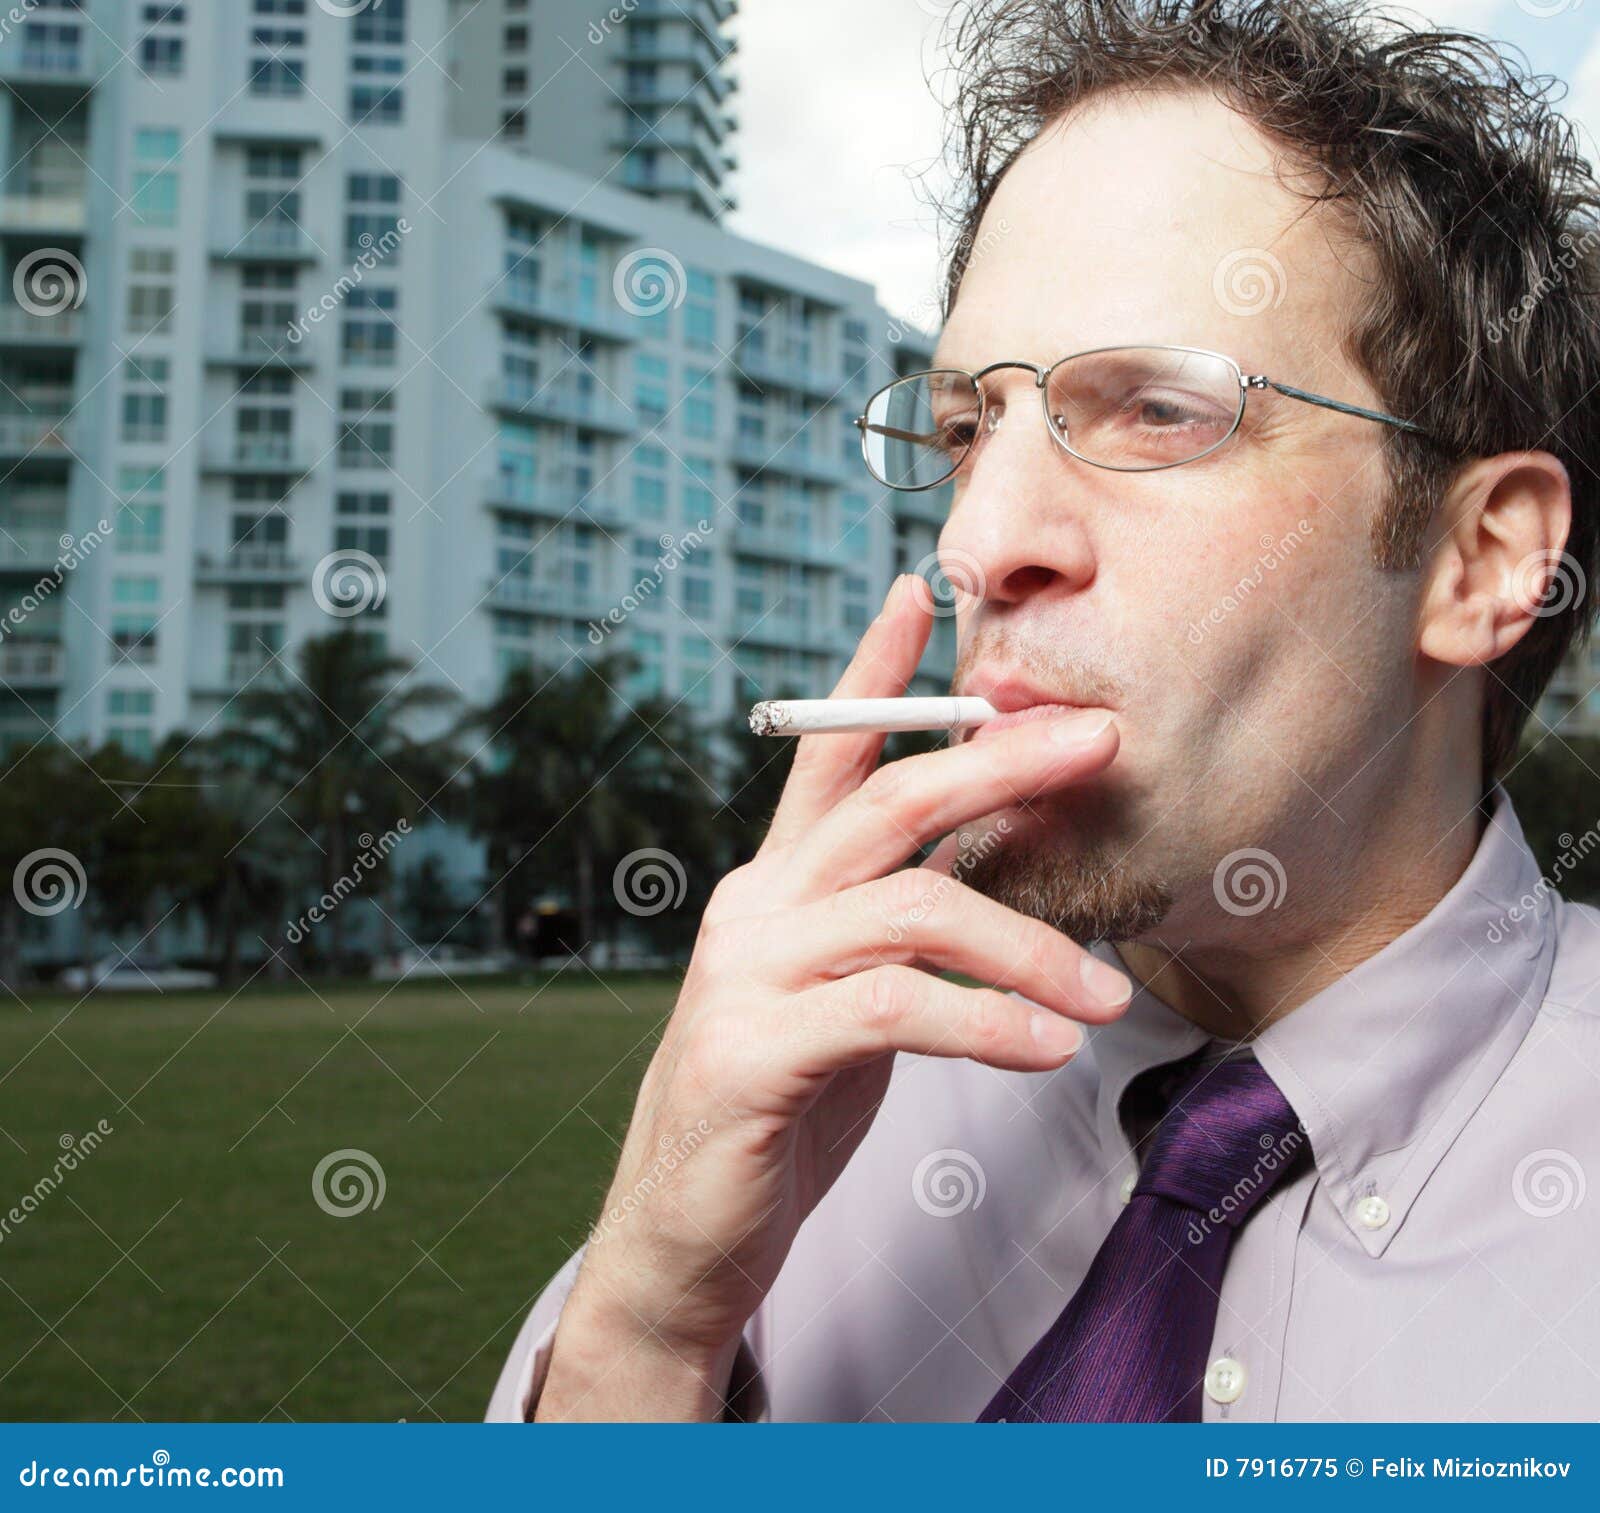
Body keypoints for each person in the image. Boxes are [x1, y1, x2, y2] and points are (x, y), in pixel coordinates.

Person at [490, 0, 1600, 1422]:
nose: (978, 539)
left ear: (1485, 558)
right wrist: (643, 1328)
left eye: (1156, 410)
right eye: (967, 428)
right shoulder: (797, 1140)